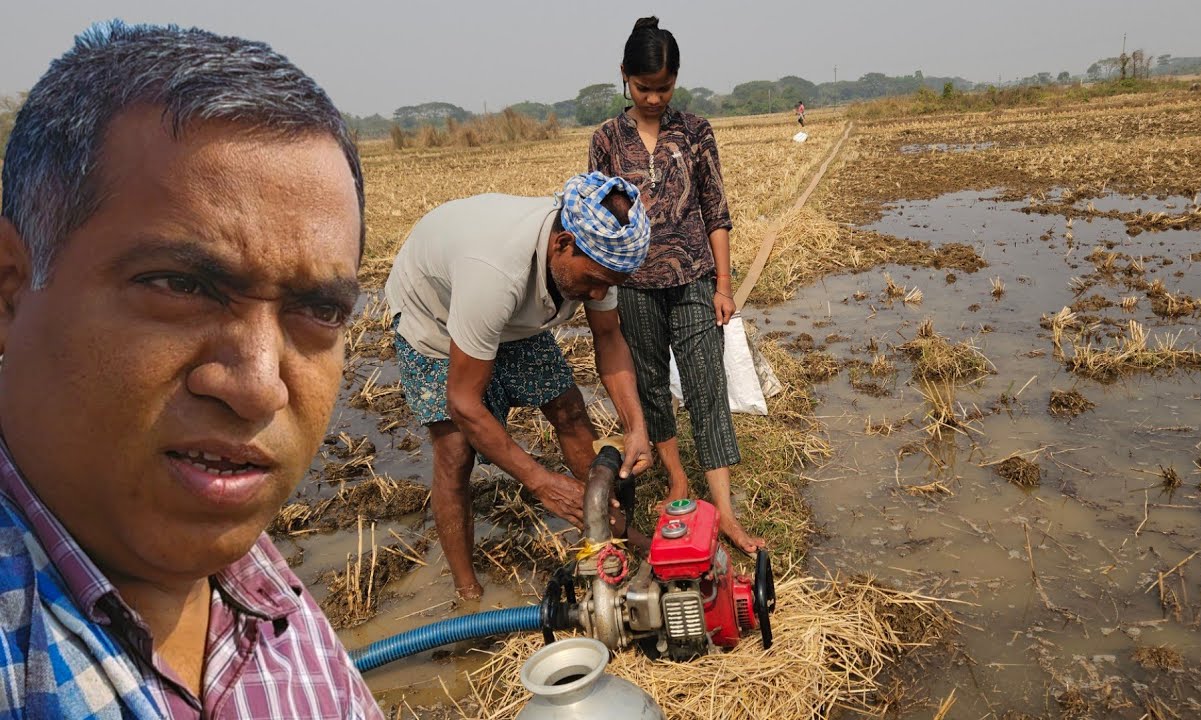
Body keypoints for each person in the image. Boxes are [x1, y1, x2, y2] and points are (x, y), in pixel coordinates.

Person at [0, 22, 381, 718]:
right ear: (9, 289)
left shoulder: (268, 599)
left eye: (319, 311)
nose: (259, 385)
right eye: (182, 286)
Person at [385, 172, 654, 600]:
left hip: (511, 315)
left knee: (568, 408)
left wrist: (635, 425)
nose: (599, 293)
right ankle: (468, 592)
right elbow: (463, 403)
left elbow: (608, 338)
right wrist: (540, 481)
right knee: (455, 453)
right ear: (563, 244)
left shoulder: (597, 259)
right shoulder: (494, 274)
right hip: (438, 318)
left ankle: (610, 537)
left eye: (610, 284)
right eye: (593, 281)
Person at [588, 17, 766, 555]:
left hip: (693, 279)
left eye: (664, 88)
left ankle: (726, 515)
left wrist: (724, 285)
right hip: (635, 287)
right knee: (649, 387)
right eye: (644, 88)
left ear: (677, 80)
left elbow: (716, 211)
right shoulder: (606, 141)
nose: (654, 98)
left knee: (708, 386)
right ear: (624, 77)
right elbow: (601, 222)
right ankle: (676, 479)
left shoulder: (695, 131)